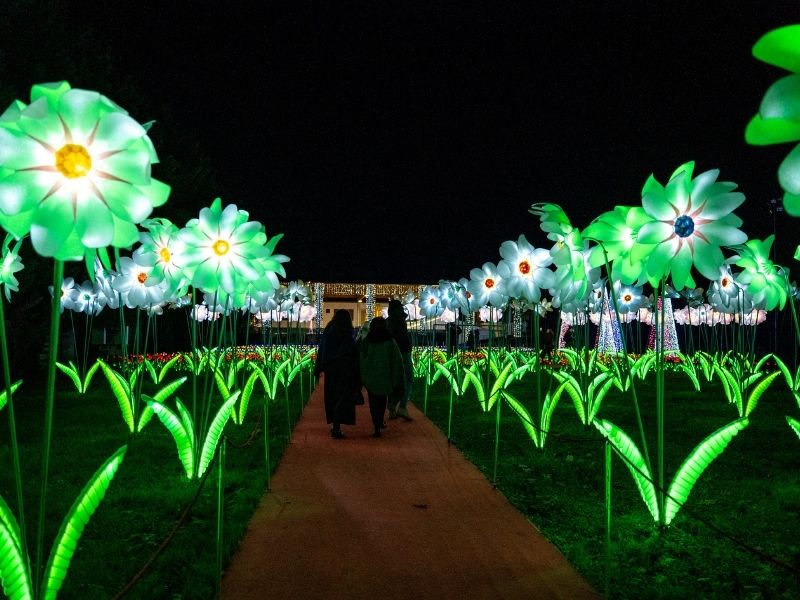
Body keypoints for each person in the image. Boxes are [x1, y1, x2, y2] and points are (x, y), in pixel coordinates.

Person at [314, 309, 360, 439]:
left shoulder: (330, 329)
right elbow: (352, 350)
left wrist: (319, 368)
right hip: (345, 368)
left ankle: (335, 424)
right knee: (342, 397)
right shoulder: (347, 331)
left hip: (331, 368)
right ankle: (337, 426)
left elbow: (323, 348)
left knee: (332, 396)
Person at [359, 316, 404, 437]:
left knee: (373, 402)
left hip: (371, 377)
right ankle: (379, 422)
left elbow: (361, 357)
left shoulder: (367, 340)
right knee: (382, 401)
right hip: (385, 376)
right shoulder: (390, 341)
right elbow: (397, 359)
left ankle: (376, 425)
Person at [386, 299, 413, 421]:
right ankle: (401, 406)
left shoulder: (388, 322)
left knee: (393, 380)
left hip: (391, 354)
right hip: (404, 352)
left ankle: (392, 406)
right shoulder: (400, 321)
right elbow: (403, 338)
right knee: (408, 379)